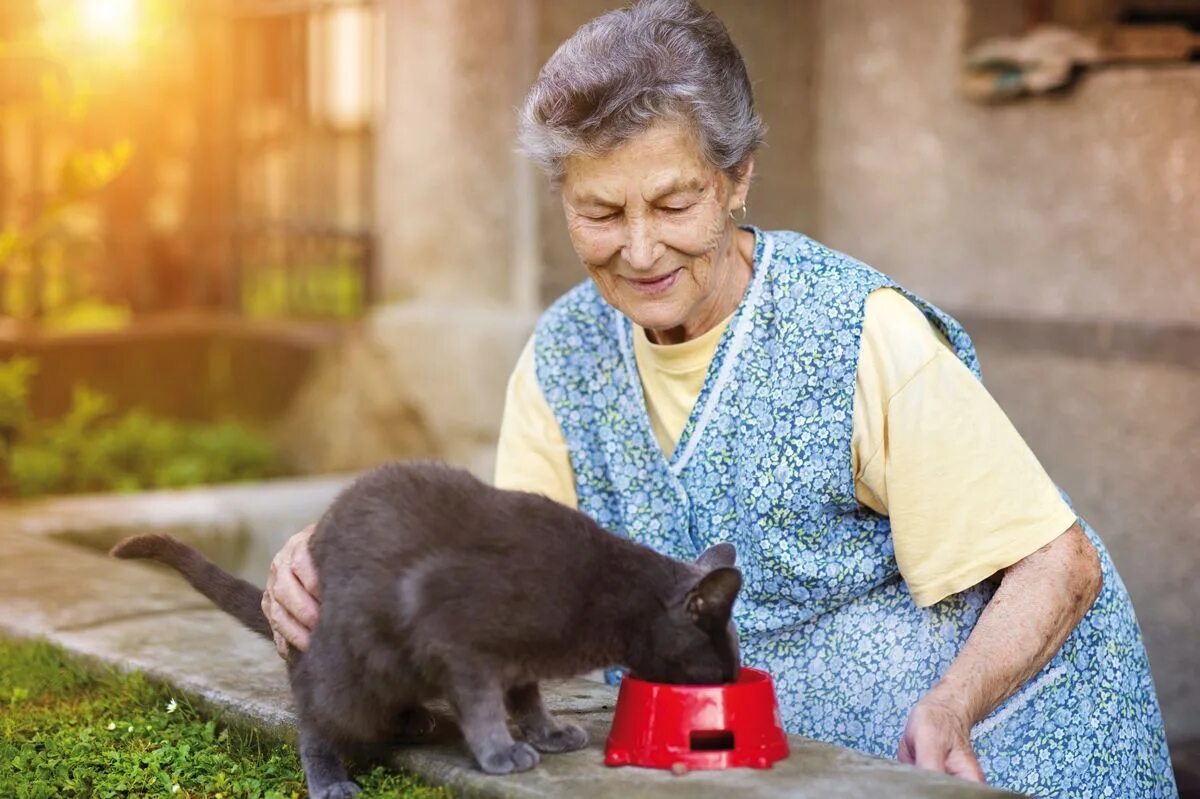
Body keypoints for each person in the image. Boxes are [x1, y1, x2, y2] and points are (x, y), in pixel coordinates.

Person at [261, 1, 1177, 795]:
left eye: (674, 202)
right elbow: (493, 568)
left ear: (738, 178)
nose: (642, 248)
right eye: (600, 211)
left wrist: (950, 708)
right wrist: (335, 562)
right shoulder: (562, 358)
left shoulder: (861, 332)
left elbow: (1059, 565)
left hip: (991, 753)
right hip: (750, 765)